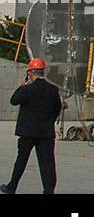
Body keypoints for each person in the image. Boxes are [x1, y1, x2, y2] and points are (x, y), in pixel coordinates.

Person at [1, 57, 64, 195]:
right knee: (47, 163)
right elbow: (57, 108)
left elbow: (13, 101)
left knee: (21, 161)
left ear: (30, 72)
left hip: (27, 132)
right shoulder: (52, 89)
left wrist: (22, 86)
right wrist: (49, 122)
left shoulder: (27, 89)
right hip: (45, 133)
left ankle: (12, 187)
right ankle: (49, 190)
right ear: (43, 72)